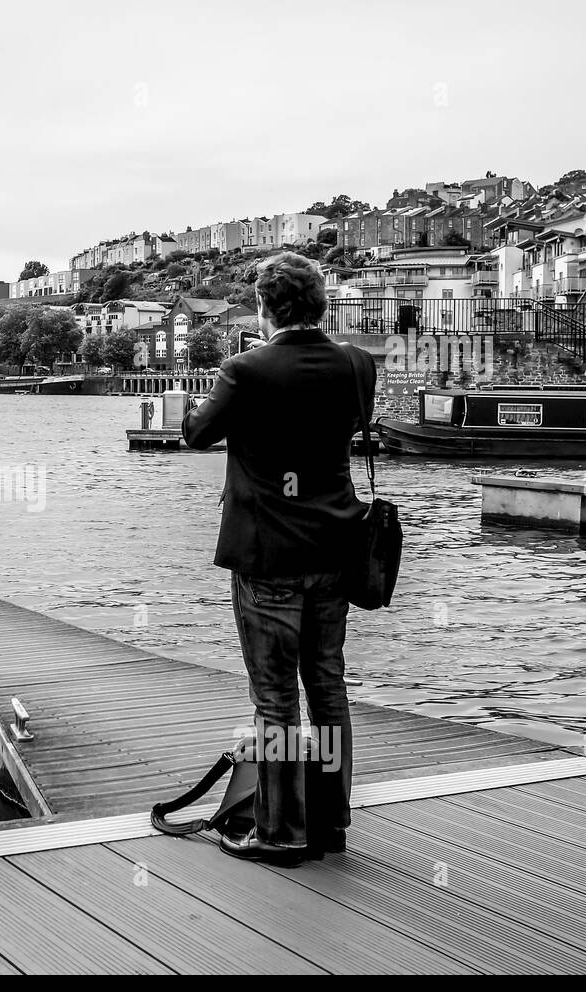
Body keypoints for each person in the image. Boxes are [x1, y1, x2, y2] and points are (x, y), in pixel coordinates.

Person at [183, 251, 375, 865]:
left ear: (266, 308)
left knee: (275, 699)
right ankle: (331, 823)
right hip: (335, 549)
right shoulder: (356, 364)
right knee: (328, 686)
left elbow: (195, 433)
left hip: (268, 554)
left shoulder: (246, 369)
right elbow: (351, 423)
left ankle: (282, 833)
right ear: (320, 305)